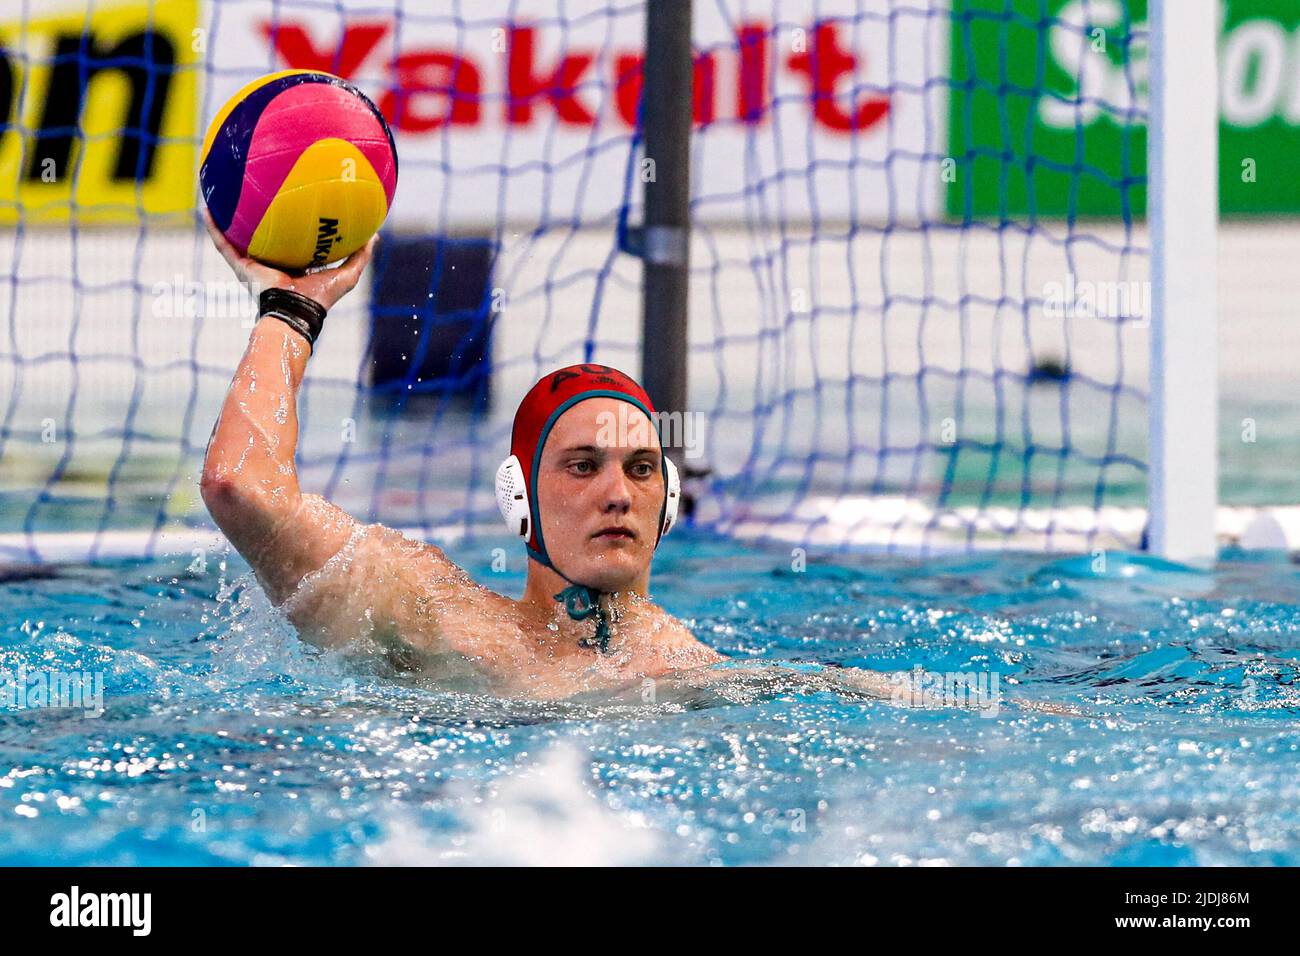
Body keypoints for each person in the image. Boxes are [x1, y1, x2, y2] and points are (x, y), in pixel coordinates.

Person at [198, 211, 1038, 712]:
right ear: (518, 498)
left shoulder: (695, 678)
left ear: (668, 503)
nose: (617, 493)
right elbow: (241, 485)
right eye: (583, 465)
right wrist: (293, 308)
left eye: (641, 469)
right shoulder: (421, 607)